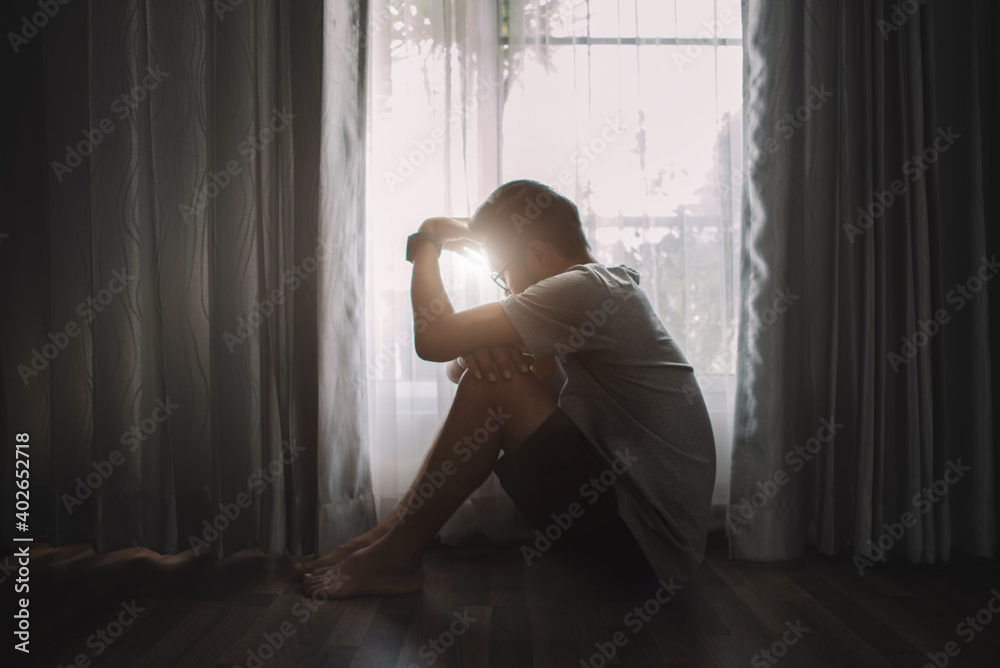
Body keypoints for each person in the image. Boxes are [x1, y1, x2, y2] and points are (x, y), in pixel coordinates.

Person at [296, 180, 716, 597]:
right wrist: (477, 351)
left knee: (492, 385)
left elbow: (433, 339)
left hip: (648, 553)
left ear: (537, 254)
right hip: (645, 542)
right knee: (491, 382)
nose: (508, 290)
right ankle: (389, 537)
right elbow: (460, 372)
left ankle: (394, 559)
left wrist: (427, 238)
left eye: (502, 276)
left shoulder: (585, 291)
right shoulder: (602, 290)